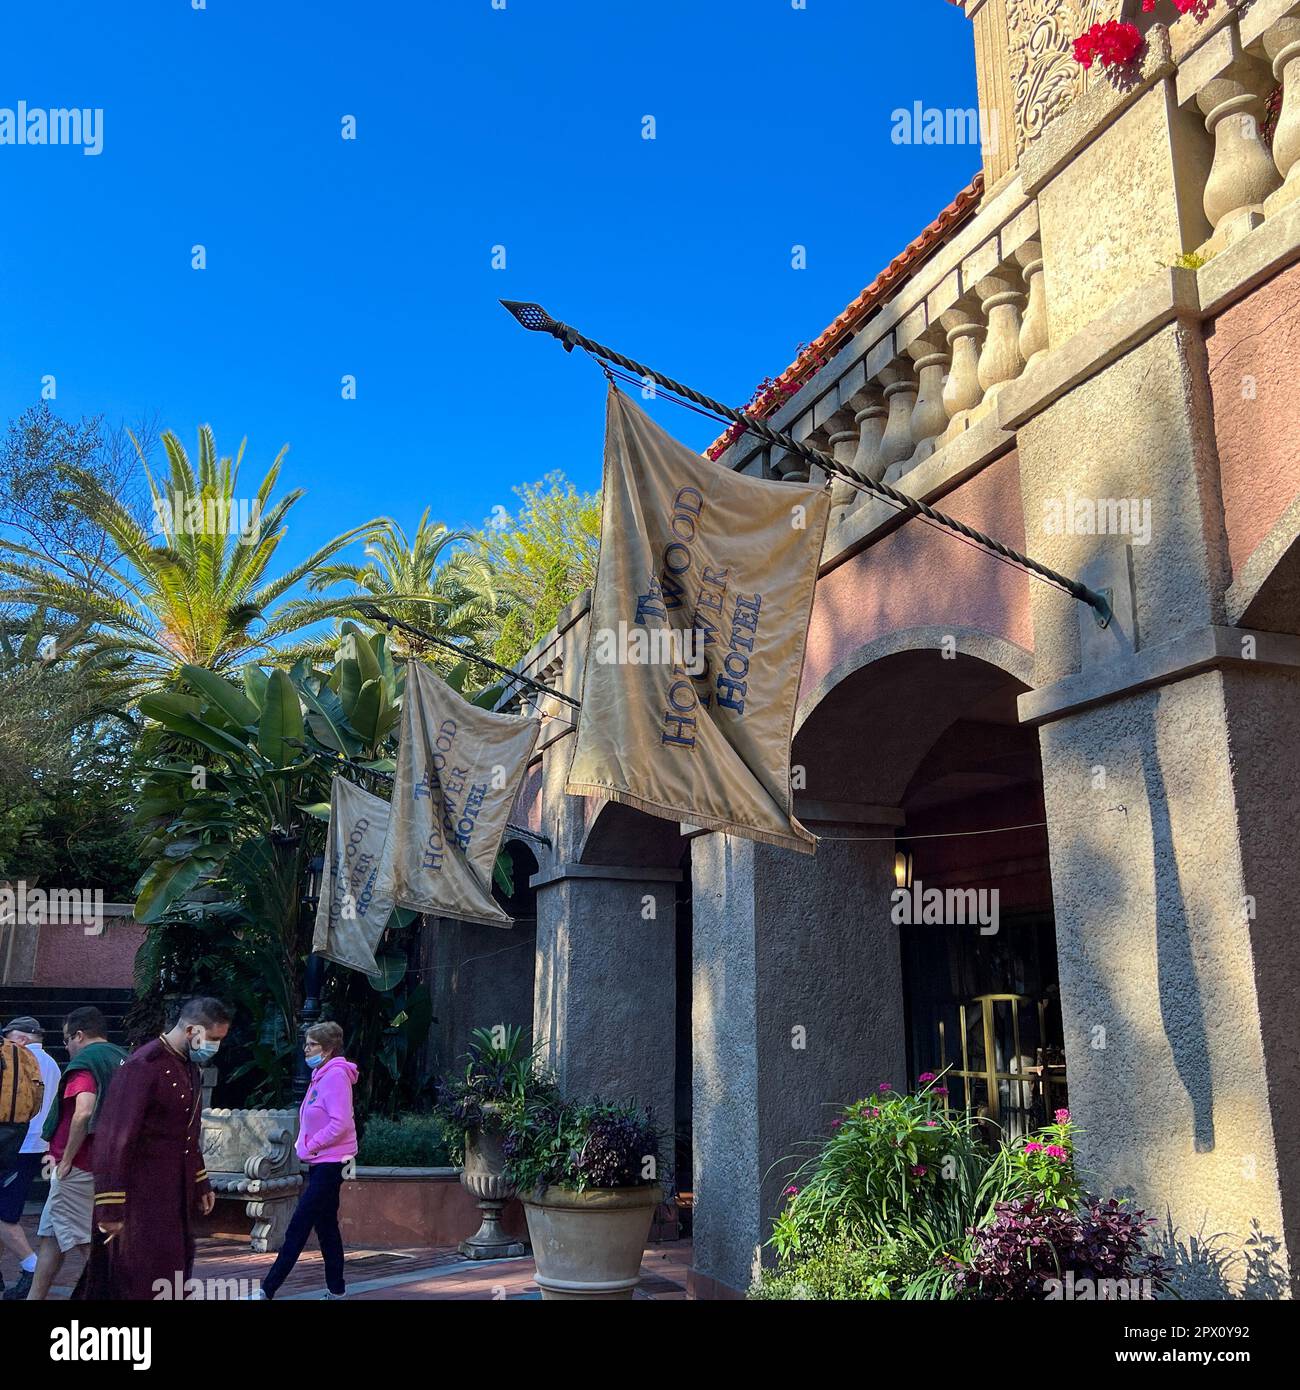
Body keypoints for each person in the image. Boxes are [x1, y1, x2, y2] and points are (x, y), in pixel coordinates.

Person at [83, 996, 230, 1301]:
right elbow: (115, 1138)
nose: (214, 1046)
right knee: (138, 1279)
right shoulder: (143, 1066)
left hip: (173, 1197)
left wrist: (200, 1180)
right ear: (192, 1031)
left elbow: (186, 1133)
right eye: (213, 1038)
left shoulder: (188, 1067)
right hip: (139, 1198)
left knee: (172, 1275)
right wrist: (110, 1206)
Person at [26, 1007, 127, 1300]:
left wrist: (67, 1160)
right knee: (51, 1237)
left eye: (67, 1039)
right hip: (106, 1161)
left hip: (79, 1166)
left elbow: (83, 1111)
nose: (67, 1046)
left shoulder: (86, 1062)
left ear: (79, 1035)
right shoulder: (122, 1058)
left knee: (86, 1241)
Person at [256, 1021, 357, 1300]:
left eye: (311, 1045)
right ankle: (337, 1291)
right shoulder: (321, 1075)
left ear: (327, 1049)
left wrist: (310, 1146)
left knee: (298, 1227)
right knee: (326, 1227)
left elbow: (341, 1123)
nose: (305, 1049)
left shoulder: (335, 1076)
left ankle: (267, 1289)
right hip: (322, 1161)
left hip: (332, 1162)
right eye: (306, 1043)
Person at [0, 1017, 62, 1301]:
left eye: (9, 1034)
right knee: (8, 1209)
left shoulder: (13, 1058)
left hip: (15, 1144)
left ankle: (30, 1266)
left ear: (23, 1037)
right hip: (39, 1144)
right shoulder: (51, 1063)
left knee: (4, 1215)